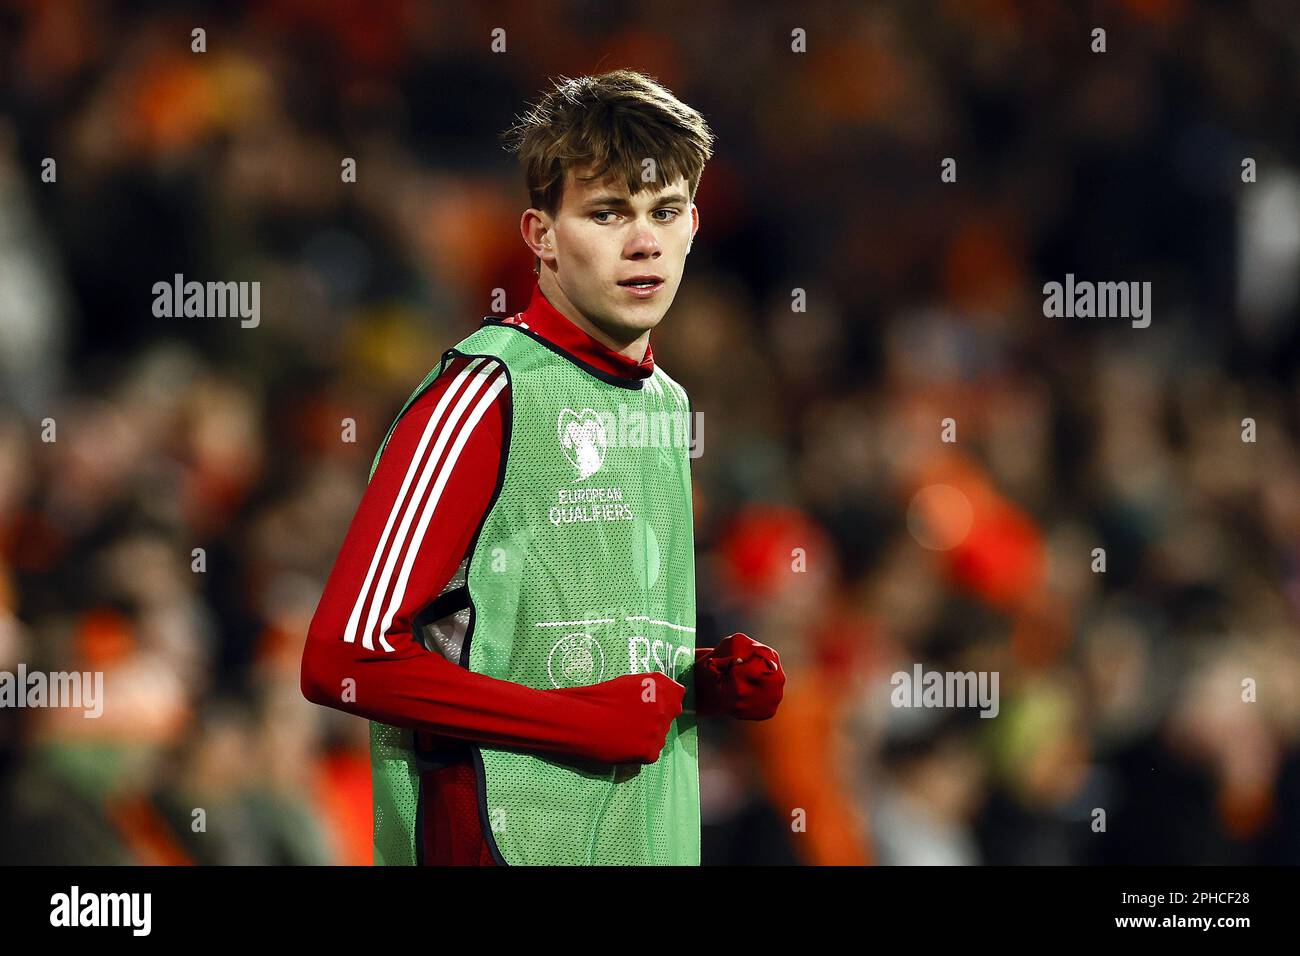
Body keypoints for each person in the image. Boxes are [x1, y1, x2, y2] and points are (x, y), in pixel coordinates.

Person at [301, 69, 784, 866]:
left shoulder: (667, 405)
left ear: (695, 224)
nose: (643, 241)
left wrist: (697, 682)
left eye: (664, 212)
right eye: (607, 213)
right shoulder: (484, 393)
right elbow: (343, 658)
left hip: (639, 842)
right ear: (540, 235)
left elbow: (570, 648)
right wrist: (579, 724)